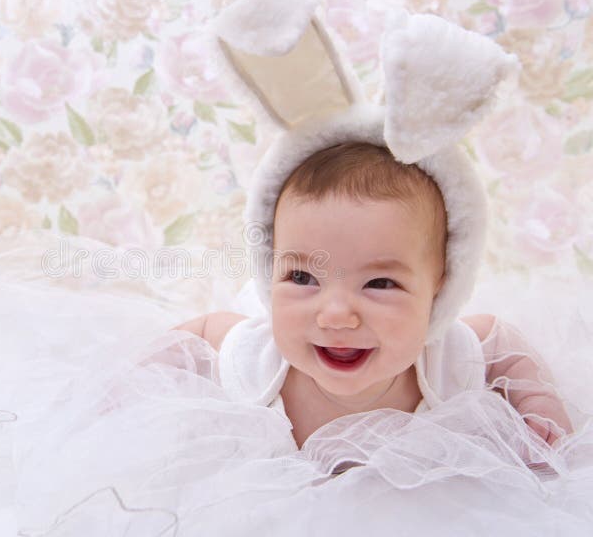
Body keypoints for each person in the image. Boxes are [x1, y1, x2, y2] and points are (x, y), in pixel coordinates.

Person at [174, 141, 573, 450]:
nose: (336, 316)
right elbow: (206, 328)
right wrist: (135, 382)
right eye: (301, 276)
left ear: (440, 285)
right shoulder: (256, 356)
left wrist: (538, 404)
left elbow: (497, 337)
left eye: (379, 284)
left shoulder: (448, 358)